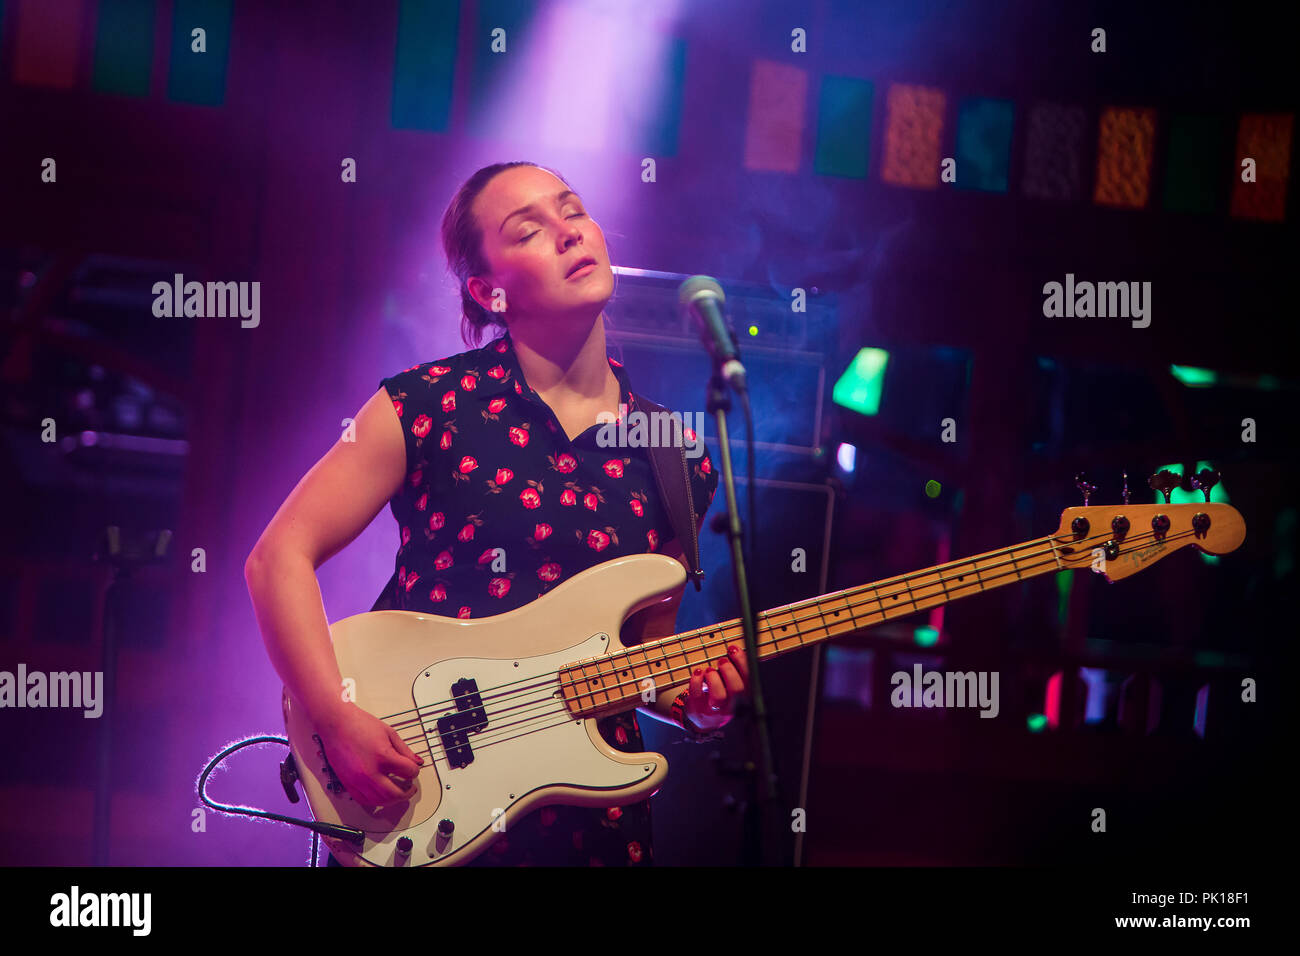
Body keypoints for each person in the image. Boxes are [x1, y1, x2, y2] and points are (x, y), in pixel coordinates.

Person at [244, 161, 748, 866]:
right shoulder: (427, 405)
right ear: (489, 291)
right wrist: (333, 719)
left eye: (573, 210)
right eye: (530, 229)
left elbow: (640, 658)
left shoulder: (675, 453)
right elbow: (276, 558)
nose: (569, 232)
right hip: (422, 801)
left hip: (587, 832)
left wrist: (701, 704)